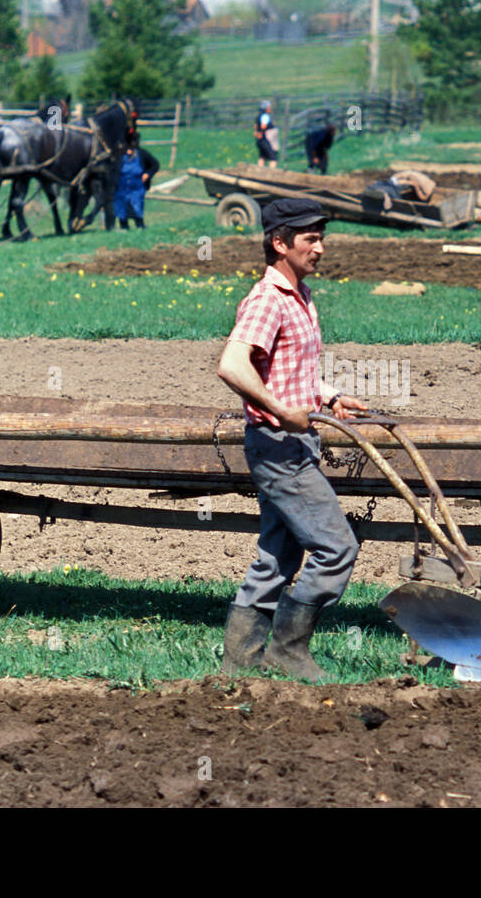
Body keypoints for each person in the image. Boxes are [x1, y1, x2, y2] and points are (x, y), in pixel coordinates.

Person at [216, 198, 368, 681]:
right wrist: (283, 413)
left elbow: (291, 370)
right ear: (280, 243)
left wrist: (330, 396)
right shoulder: (267, 299)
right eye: (310, 239)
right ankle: (288, 649)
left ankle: (240, 664)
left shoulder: (299, 295)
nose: (320, 248)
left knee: (276, 558)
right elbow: (233, 365)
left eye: (321, 238)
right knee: (336, 547)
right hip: (279, 448)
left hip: (292, 443)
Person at [113, 146, 147, 230]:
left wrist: (148, 174)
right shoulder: (118, 157)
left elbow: (154, 165)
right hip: (122, 186)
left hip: (136, 187)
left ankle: (140, 225)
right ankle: (124, 225)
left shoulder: (140, 154)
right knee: (121, 206)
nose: (129, 151)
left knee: (137, 205)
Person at [254, 100, 279, 168]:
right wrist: (261, 133)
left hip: (260, 140)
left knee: (262, 157)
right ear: (267, 108)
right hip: (264, 139)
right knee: (273, 158)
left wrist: (257, 133)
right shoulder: (265, 116)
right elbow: (263, 126)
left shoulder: (259, 116)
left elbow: (256, 127)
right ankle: (271, 174)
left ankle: (258, 172)